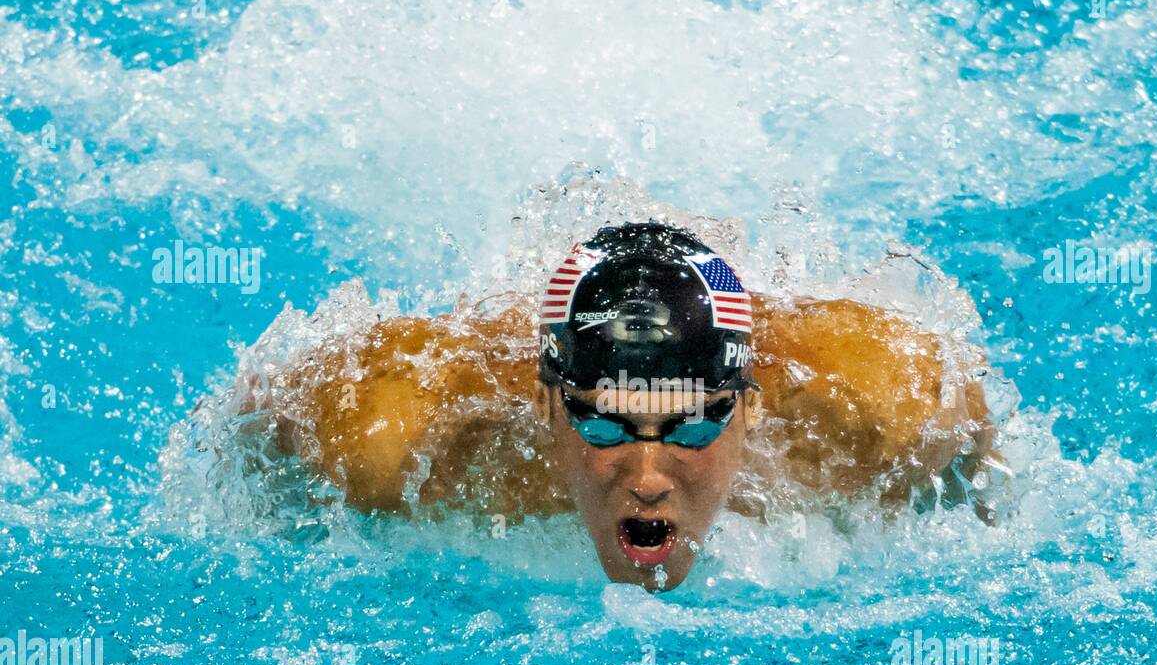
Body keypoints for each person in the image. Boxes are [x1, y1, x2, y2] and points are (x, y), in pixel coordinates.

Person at [249, 222, 997, 591]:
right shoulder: (396, 437)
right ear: (546, 407)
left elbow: (974, 439)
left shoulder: (878, 410)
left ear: (753, 407)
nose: (646, 476)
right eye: (603, 425)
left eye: (694, 425)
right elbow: (254, 417)